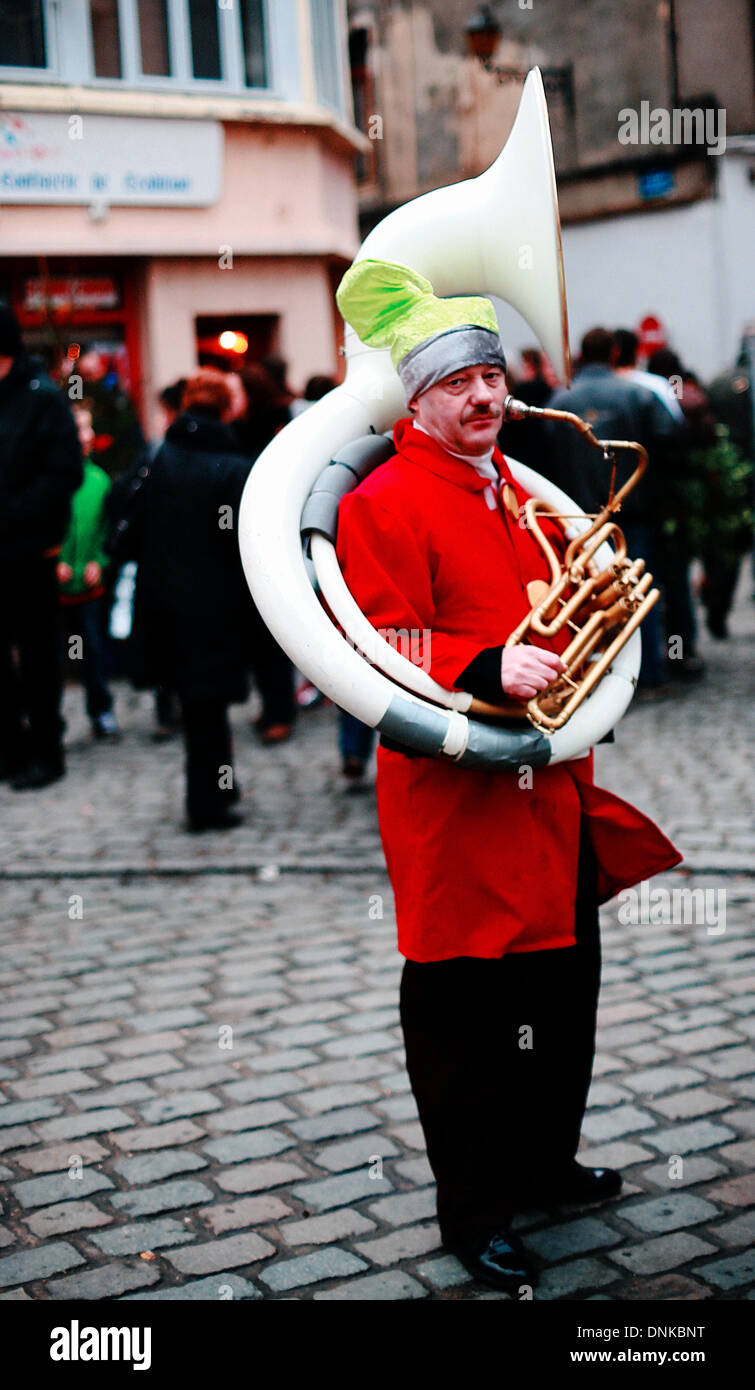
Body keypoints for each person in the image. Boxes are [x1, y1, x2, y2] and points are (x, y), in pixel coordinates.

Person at [334, 259, 682, 1291]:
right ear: (417, 397)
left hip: (549, 793)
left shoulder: (519, 492)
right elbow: (377, 651)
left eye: (490, 374)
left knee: (560, 993)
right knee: (463, 1024)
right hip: (459, 808)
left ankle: (540, 1158)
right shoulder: (384, 502)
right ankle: (473, 1209)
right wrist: (482, 669)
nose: (484, 395)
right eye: (456, 382)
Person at [127, 368, 255, 831]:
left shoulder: (159, 458)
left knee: (196, 707)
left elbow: (127, 516)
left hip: (163, 601)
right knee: (209, 712)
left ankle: (218, 790)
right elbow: (245, 543)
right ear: (226, 408)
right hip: (215, 607)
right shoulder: (235, 468)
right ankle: (207, 803)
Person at [545, 327, 683, 689]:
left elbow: (546, 455)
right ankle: (648, 671)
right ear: (615, 352)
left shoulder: (559, 400)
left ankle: (600, 678)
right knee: (636, 593)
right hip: (631, 514)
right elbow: (670, 443)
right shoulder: (637, 393)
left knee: (588, 601)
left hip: (577, 518)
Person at [0, 304, 83, 789]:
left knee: (36, 658)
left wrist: (13, 514)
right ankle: (11, 748)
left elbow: (63, 473)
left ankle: (46, 752)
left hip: (30, 553)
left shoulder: (43, 399)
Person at [57, 404, 119, 739]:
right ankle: (49, 720)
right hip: (54, 587)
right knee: (51, 659)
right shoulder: (51, 480)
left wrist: (98, 559)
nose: (88, 436)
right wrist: (55, 561)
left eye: (89, 428)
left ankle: (101, 709)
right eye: (80, 428)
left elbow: (105, 530)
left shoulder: (98, 480)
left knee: (92, 649)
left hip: (89, 588)